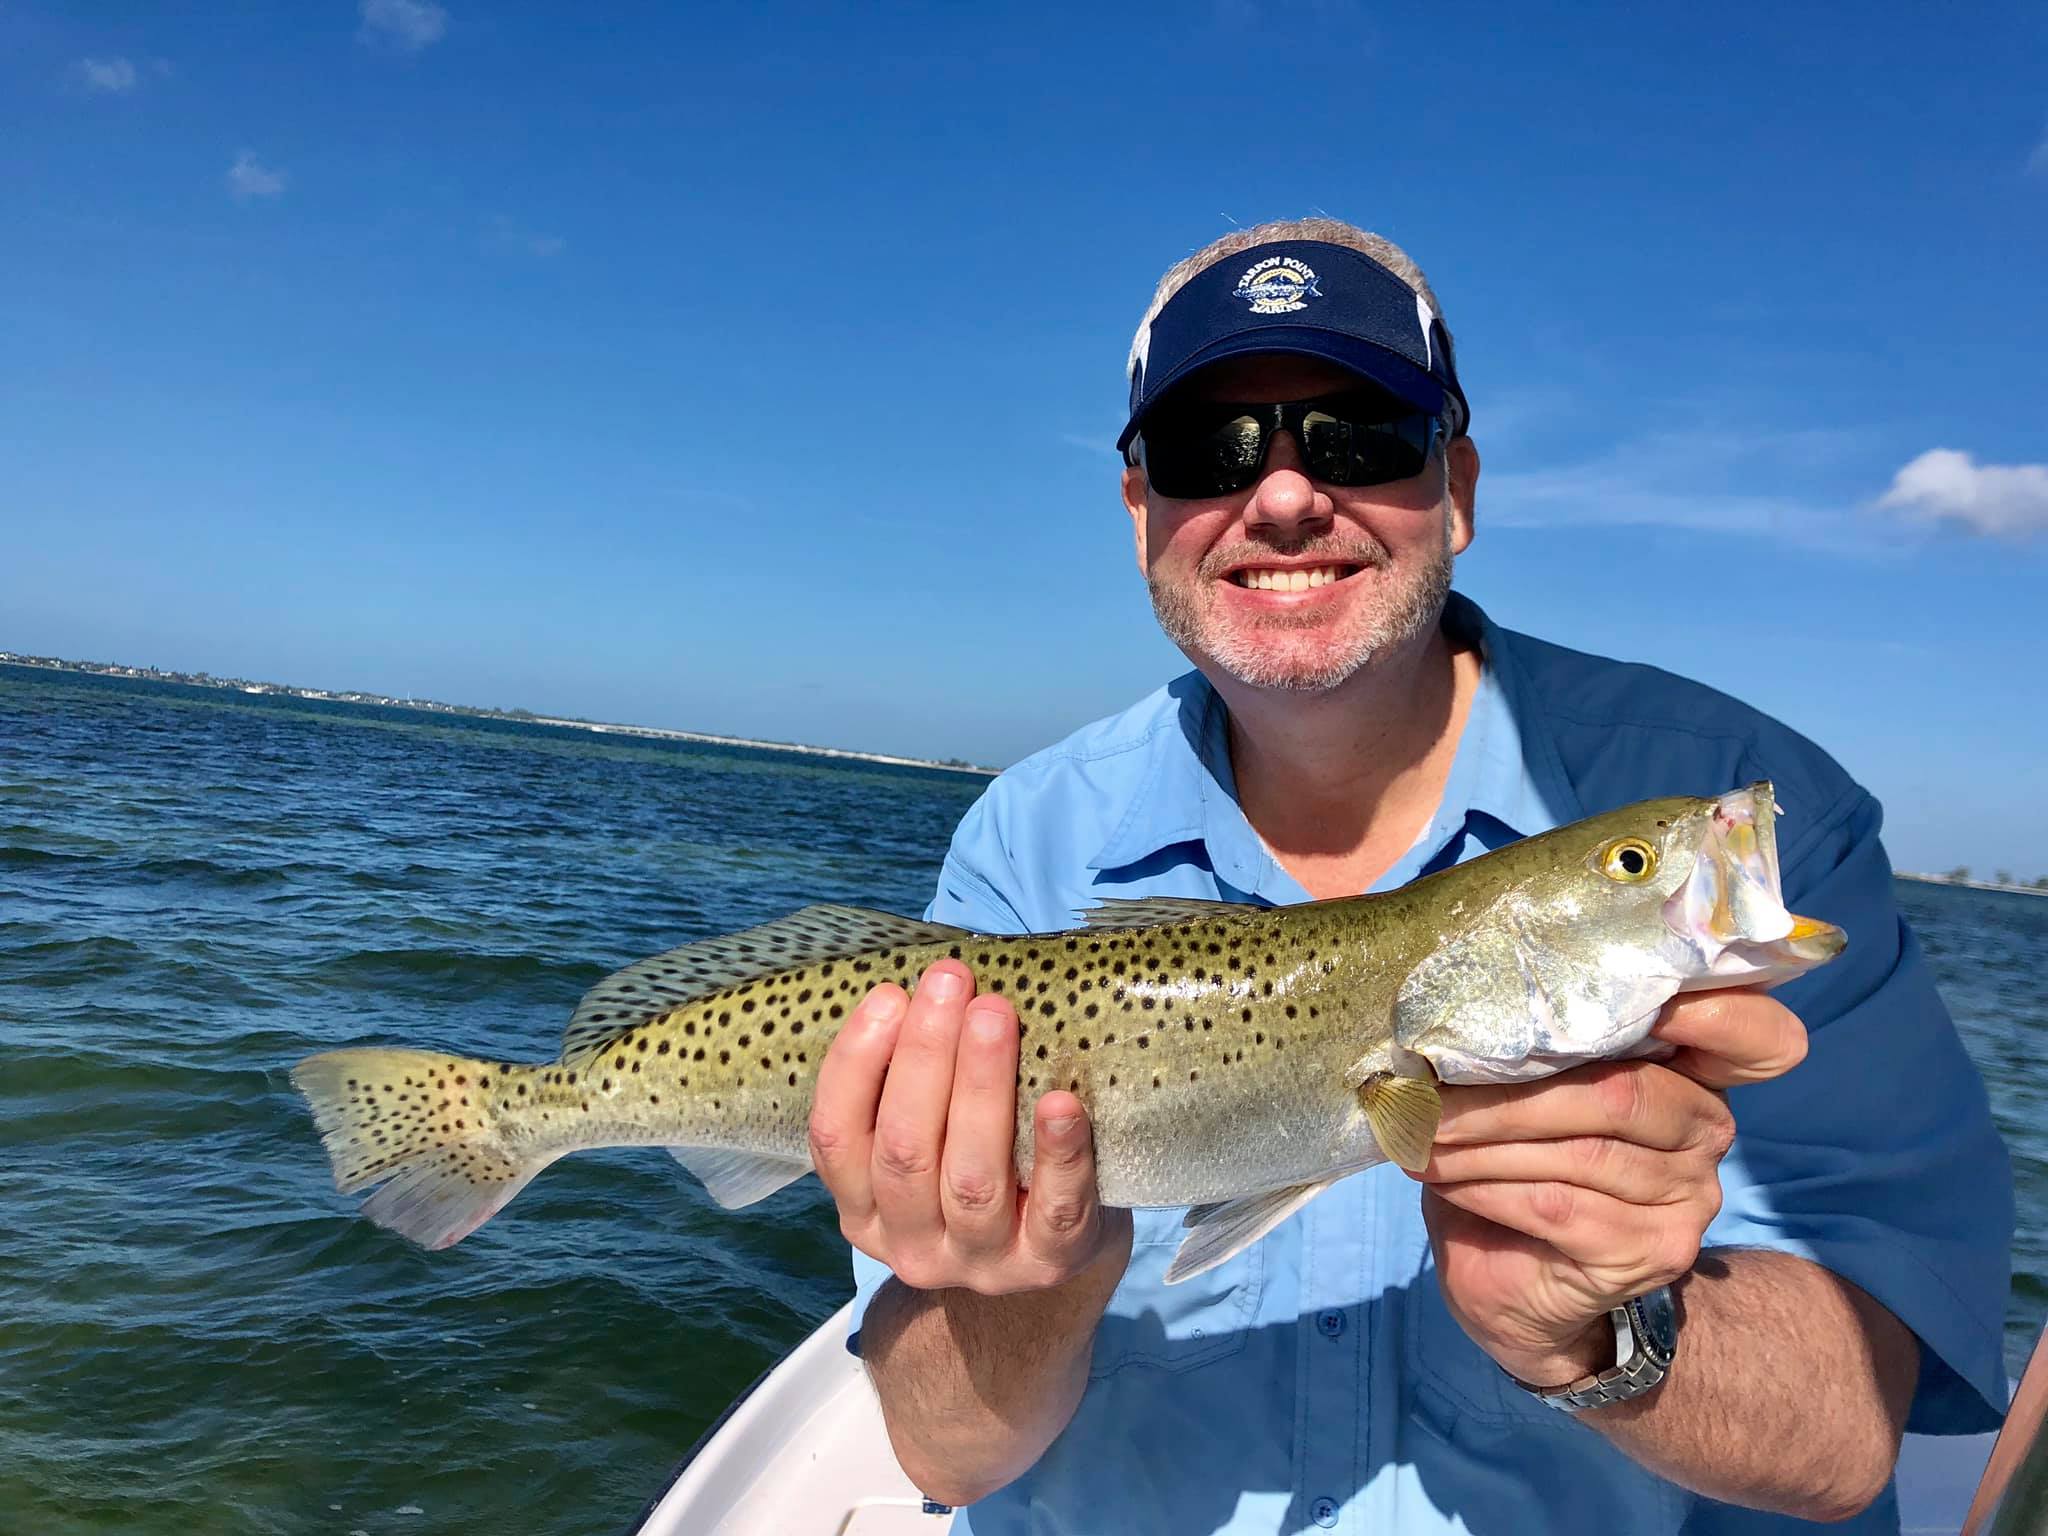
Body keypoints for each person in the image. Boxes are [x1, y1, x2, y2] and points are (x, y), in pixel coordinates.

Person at [806, 218, 2014, 1535]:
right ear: (1142, 512)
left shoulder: (1751, 802)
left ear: (1459, 488)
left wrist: (1596, 1336)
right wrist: (1037, 1273)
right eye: (1211, 449)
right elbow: (945, 1454)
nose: (1283, 497)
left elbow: (1847, 1441)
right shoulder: (1024, 838)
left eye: (1360, 437)